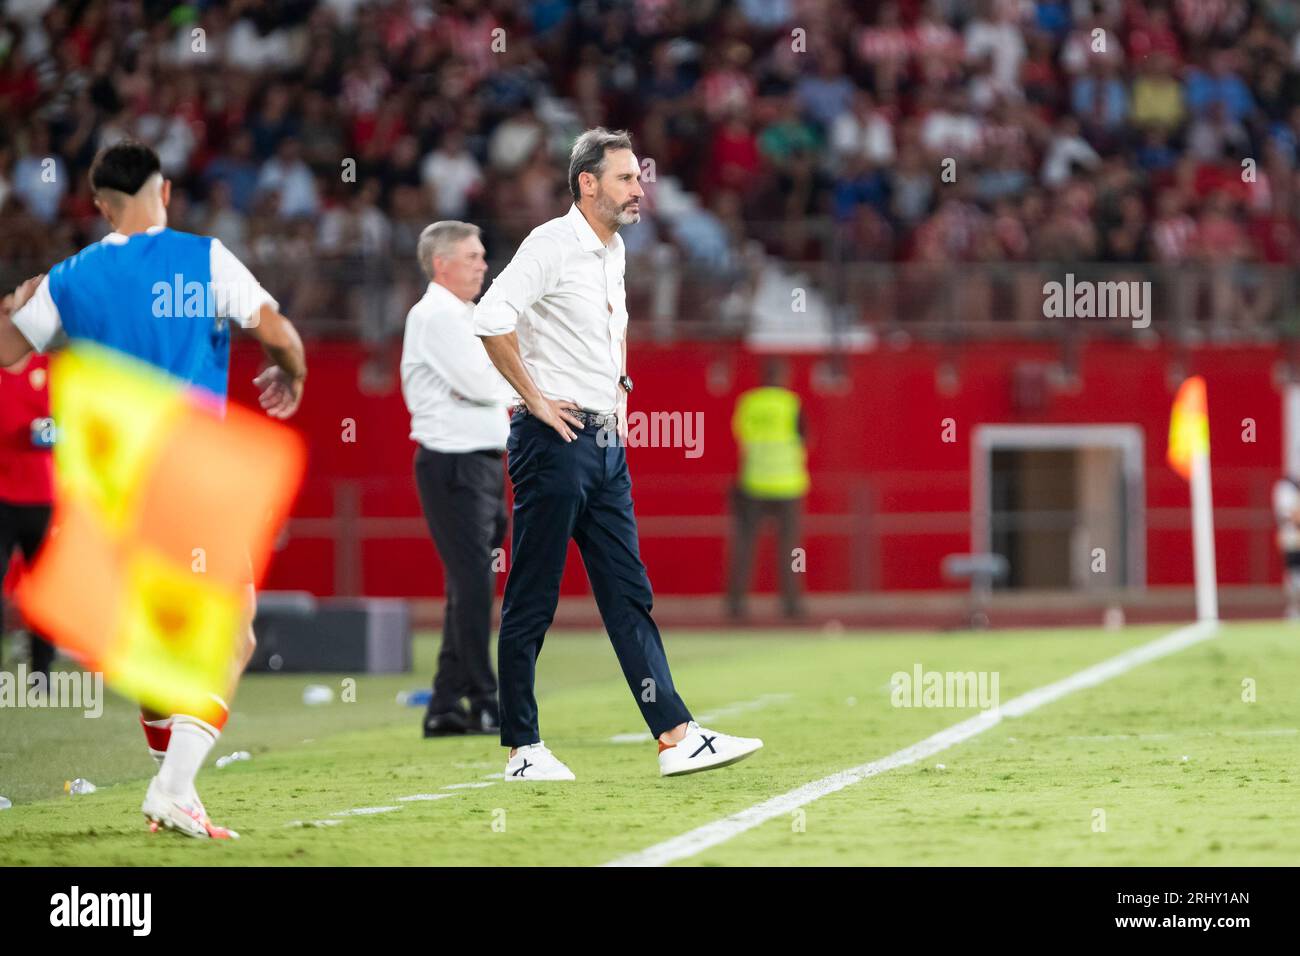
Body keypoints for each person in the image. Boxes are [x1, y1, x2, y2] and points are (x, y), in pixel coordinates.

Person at [0, 140, 307, 840]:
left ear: (101, 206)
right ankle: (172, 788)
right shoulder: (205, 259)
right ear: (163, 191)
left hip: (108, 486)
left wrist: (13, 301)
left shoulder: (69, 277)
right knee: (232, 636)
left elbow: (7, 351)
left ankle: (174, 791)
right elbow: (280, 333)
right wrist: (293, 373)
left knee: (152, 645)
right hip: (188, 473)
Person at [474, 127, 763, 780]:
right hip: (553, 441)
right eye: (628, 178)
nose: (641, 188)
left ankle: (676, 735)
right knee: (532, 598)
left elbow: (611, 335)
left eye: (639, 176)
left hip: (604, 443)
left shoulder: (616, 251)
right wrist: (539, 401)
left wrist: (621, 395)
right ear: (588, 184)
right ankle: (523, 749)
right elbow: (491, 319)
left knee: (629, 594)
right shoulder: (550, 244)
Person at [400, 220, 511, 738]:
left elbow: (489, 384)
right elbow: (481, 382)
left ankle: (445, 705)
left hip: (481, 462)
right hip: (454, 463)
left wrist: (504, 381)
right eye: (472, 256)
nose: (483, 264)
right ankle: (486, 699)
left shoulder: (462, 315)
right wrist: (516, 381)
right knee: (472, 584)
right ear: (441, 264)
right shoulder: (437, 315)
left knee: (468, 587)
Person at [726, 357, 810, 621]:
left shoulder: (749, 403)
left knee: (745, 546)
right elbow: (806, 438)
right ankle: (792, 605)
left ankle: (736, 604)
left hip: (753, 483)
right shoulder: (791, 404)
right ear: (783, 378)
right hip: (788, 485)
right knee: (791, 549)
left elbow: (740, 436)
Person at [0, 309, 55, 683]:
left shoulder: (48, 368)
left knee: (46, 591)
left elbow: (71, 425)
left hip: (40, 497)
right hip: (1, 498)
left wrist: (50, 431)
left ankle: (42, 676)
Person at [1273, 472, 1300, 619]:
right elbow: (1291, 515)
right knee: (1294, 573)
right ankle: (1294, 609)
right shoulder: (1286, 487)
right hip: (1293, 537)